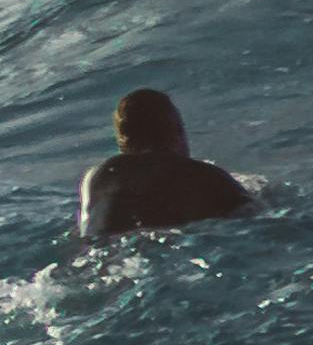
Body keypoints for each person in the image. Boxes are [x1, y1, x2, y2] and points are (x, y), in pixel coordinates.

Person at [78, 87, 253, 240]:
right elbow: (256, 215)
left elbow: (87, 230)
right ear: (176, 132)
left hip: (103, 253)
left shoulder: (96, 178)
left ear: (122, 139)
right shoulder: (205, 176)